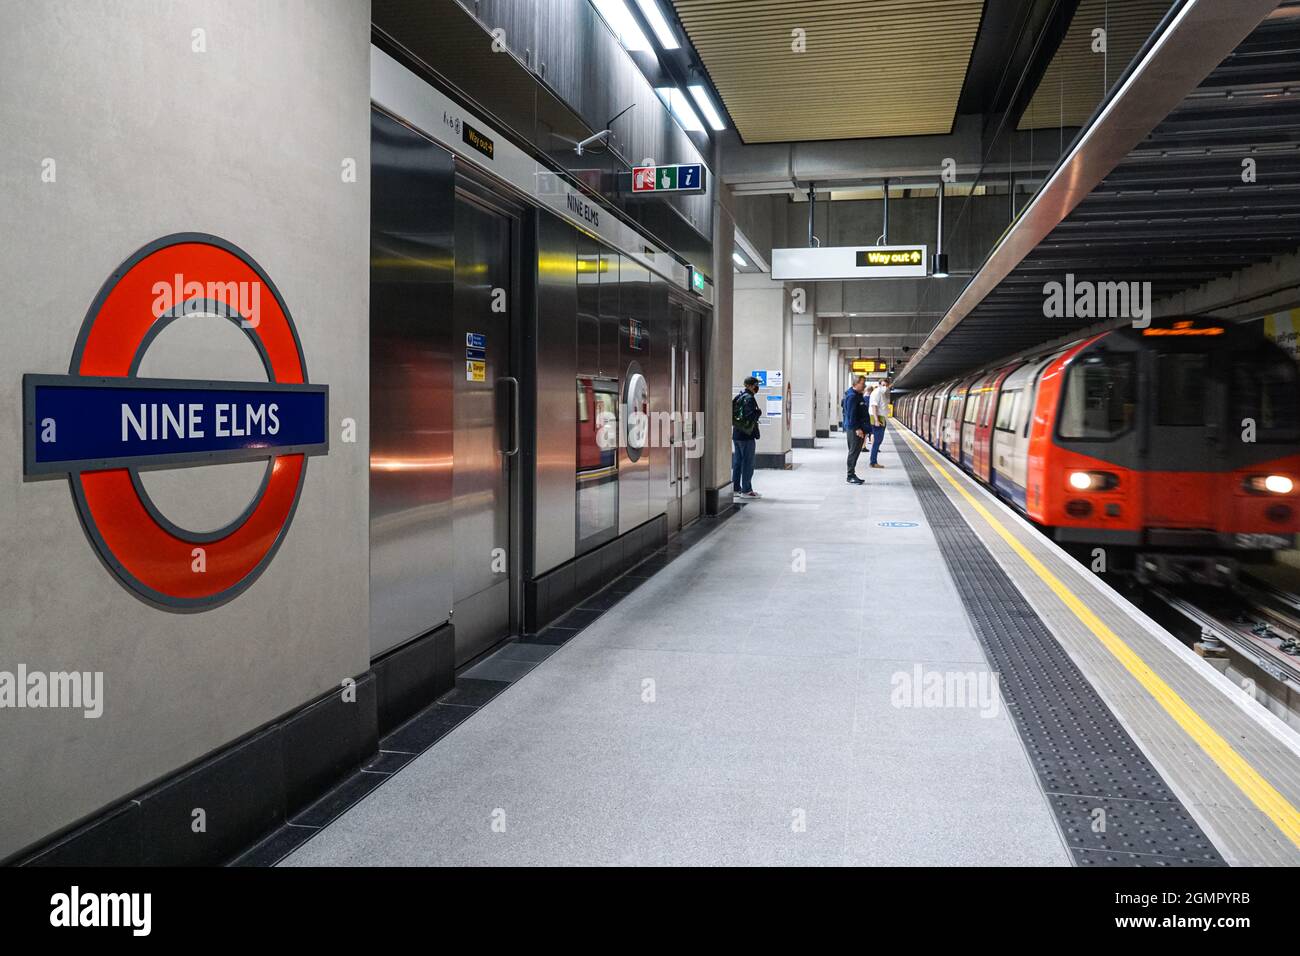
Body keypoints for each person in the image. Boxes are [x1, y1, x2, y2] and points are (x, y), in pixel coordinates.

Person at [732, 376, 762, 499]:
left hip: (737, 434)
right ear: (749, 385)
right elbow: (750, 416)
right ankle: (747, 490)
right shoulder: (749, 398)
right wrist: (758, 413)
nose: (757, 387)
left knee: (738, 462)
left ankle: (736, 488)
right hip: (747, 435)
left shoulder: (739, 396)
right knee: (748, 463)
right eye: (755, 385)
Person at [841, 375, 869, 484]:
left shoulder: (857, 395)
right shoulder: (852, 396)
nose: (864, 386)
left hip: (857, 427)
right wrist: (857, 428)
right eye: (862, 383)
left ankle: (852, 474)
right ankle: (850, 476)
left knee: (855, 451)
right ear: (855, 384)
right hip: (854, 429)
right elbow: (851, 414)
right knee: (853, 452)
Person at [868, 376, 891, 468]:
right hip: (877, 418)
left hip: (881, 418)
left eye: (886, 385)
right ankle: (873, 462)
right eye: (883, 385)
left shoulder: (881, 393)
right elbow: (874, 406)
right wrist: (877, 420)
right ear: (879, 385)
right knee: (877, 441)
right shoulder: (877, 392)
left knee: (878, 440)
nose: (885, 387)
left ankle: (873, 461)